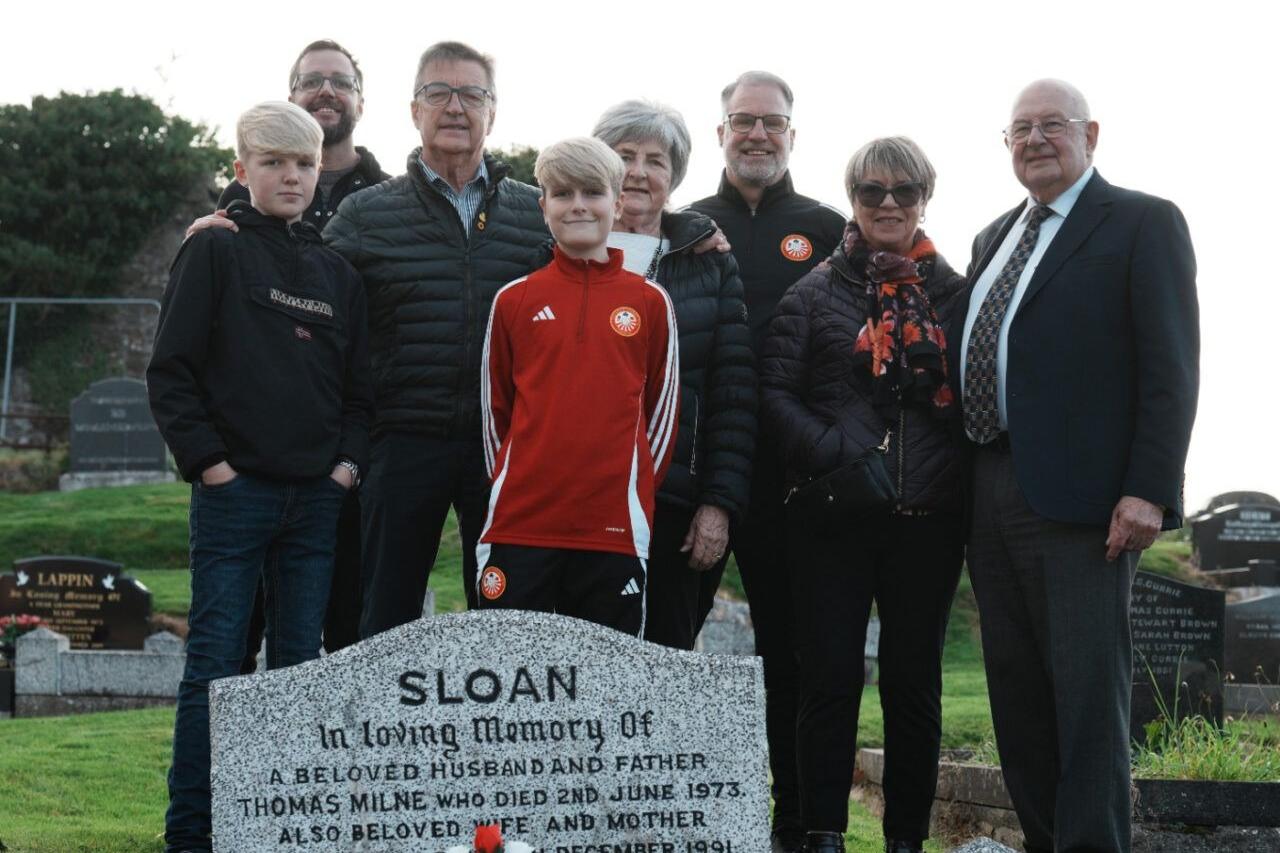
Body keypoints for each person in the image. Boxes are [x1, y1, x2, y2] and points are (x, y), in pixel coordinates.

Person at [952, 79, 1199, 853]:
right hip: (987, 486)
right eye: (1019, 128)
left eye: (1051, 125)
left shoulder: (1142, 222)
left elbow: (1170, 366)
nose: (1034, 139)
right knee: (1016, 692)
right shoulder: (992, 236)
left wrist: (1149, 489)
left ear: (1090, 134)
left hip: (1086, 503)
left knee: (1088, 698)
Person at [147, 100, 372, 853]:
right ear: (242, 169)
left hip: (314, 503)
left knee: (297, 670)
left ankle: (279, 833)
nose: (290, 176)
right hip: (233, 499)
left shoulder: (338, 273)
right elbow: (171, 372)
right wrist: (212, 468)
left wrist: (343, 470)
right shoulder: (212, 249)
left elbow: (360, 393)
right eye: (273, 162)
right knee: (214, 668)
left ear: (320, 170)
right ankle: (193, 833)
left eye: (304, 163)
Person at [762, 138, 965, 853]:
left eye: (904, 190)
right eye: (872, 191)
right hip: (834, 518)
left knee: (913, 686)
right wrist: (836, 453)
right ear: (852, 200)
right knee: (828, 679)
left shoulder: (955, 293)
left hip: (928, 518)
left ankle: (906, 839)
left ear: (924, 199)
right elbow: (775, 395)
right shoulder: (813, 293)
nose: (888, 203)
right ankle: (823, 833)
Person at [324, 41, 550, 637]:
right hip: (400, 443)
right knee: (383, 624)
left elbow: (615, 232)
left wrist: (691, 227)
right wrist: (235, 225)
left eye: (471, 94)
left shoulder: (538, 213)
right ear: (414, 110)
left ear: (492, 111)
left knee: (507, 624)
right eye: (438, 93)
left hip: (503, 447)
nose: (455, 106)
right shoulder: (365, 215)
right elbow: (307, 294)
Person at [188, 39, 389, 664]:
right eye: (311, 80)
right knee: (226, 648)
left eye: (341, 81)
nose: (326, 91)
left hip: (334, 467)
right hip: (242, 469)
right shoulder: (226, 224)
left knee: (326, 643)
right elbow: (184, 358)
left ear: (361, 98)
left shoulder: (390, 199)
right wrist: (211, 464)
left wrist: (347, 465)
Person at [688, 70, 845, 853]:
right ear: (719, 132)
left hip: (792, 480)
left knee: (792, 655)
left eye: (772, 122)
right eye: (743, 120)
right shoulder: (686, 225)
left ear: (792, 134)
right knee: (662, 646)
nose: (757, 133)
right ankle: (666, 817)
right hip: (698, 474)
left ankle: (795, 820)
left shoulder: (828, 228)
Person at [475, 137, 679, 635]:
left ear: (617, 201)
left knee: (607, 677)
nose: (578, 206)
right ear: (543, 206)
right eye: (563, 194)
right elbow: (495, 414)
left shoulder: (650, 302)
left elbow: (660, 419)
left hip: (613, 530)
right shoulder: (514, 300)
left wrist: (630, 495)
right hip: (520, 525)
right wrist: (517, 481)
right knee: (507, 667)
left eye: (592, 192)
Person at [591, 100, 755, 650]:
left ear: (675, 175)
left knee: (665, 659)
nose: (638, 172)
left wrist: (718, 505)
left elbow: (732, 395)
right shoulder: (560, 251)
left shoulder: (709, 261)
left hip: (675, 504)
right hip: (579, 500)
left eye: (655, 160)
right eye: (624, 156)